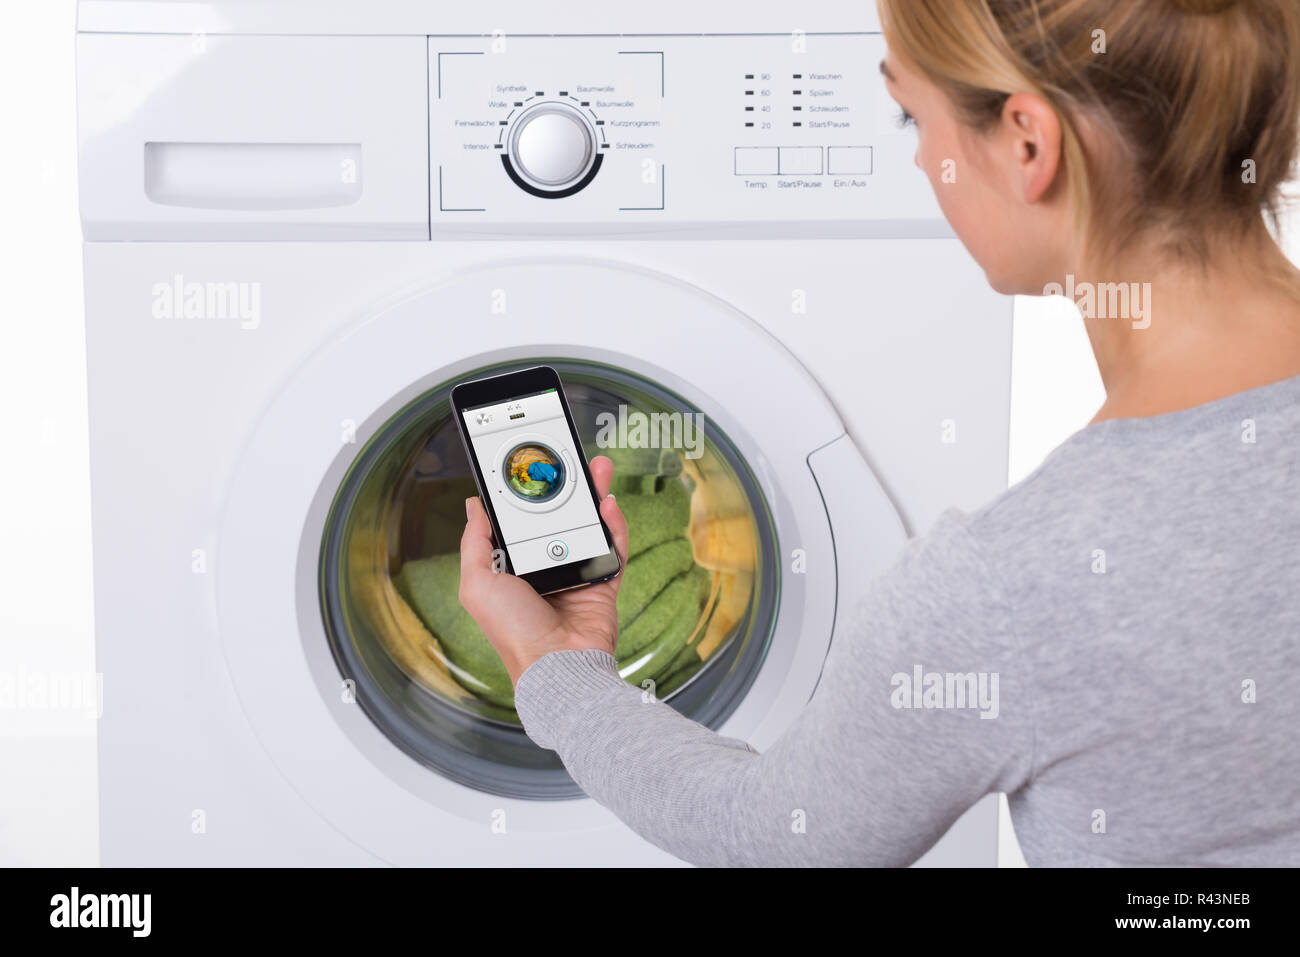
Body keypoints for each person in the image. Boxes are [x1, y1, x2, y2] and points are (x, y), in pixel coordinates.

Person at [458, 0, 1300, 866]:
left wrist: (553, 663)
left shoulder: (1012, 587)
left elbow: (776, 835)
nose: (921, 162)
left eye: (912, 115)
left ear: (1027, 145)